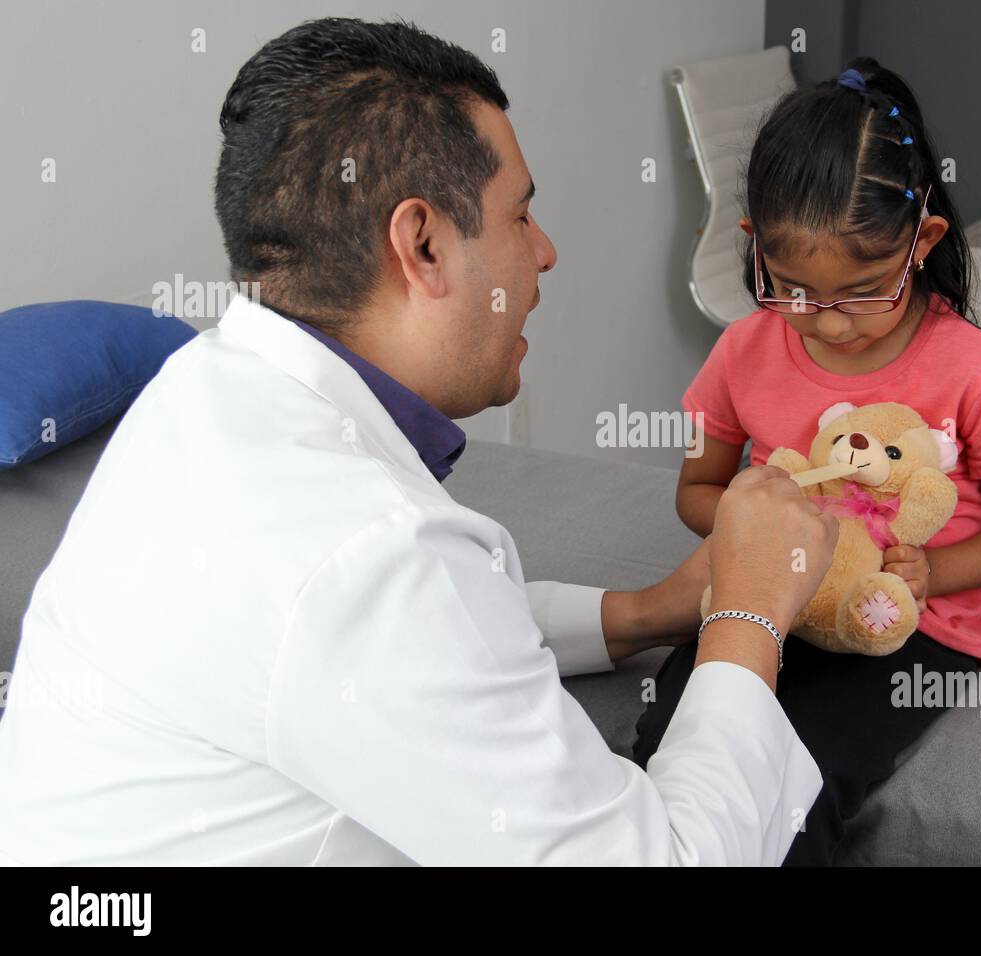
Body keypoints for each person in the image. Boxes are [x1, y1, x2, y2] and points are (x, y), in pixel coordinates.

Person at [0, 18, 841, 866]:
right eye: (522, 216)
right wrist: (751, 611)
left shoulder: (201, 388)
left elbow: (440, 648)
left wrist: (642, 613)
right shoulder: (366, 552)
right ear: (424, 244)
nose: (545, 253)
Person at [633, 58, 981, 865]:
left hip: (908, 626)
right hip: (770, 600)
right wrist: (751, 519)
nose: (828, 325)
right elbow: (698, 489)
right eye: (793, 289)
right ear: (754, 247)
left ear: (923, 242)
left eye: (865, 291)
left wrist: (931, 571)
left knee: (802, 782)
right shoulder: (741, 351)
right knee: (665, 744)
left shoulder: (971, 367)